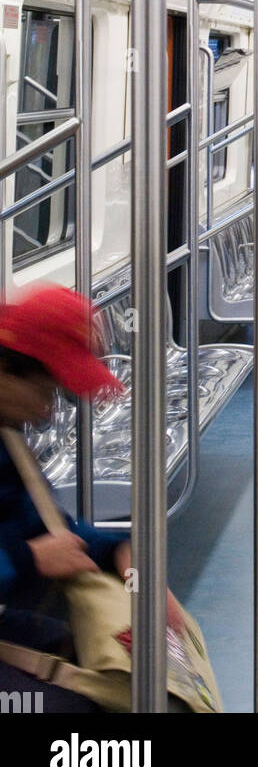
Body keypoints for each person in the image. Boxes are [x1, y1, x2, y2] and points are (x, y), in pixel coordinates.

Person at [0, 285, 183, 712]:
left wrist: (123, 556)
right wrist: (28, 558)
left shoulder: (7, 436)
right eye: (47, 392)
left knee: (132, 674)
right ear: (7, 370)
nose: (47, 412)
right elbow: (35, 546)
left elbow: (47, 523)